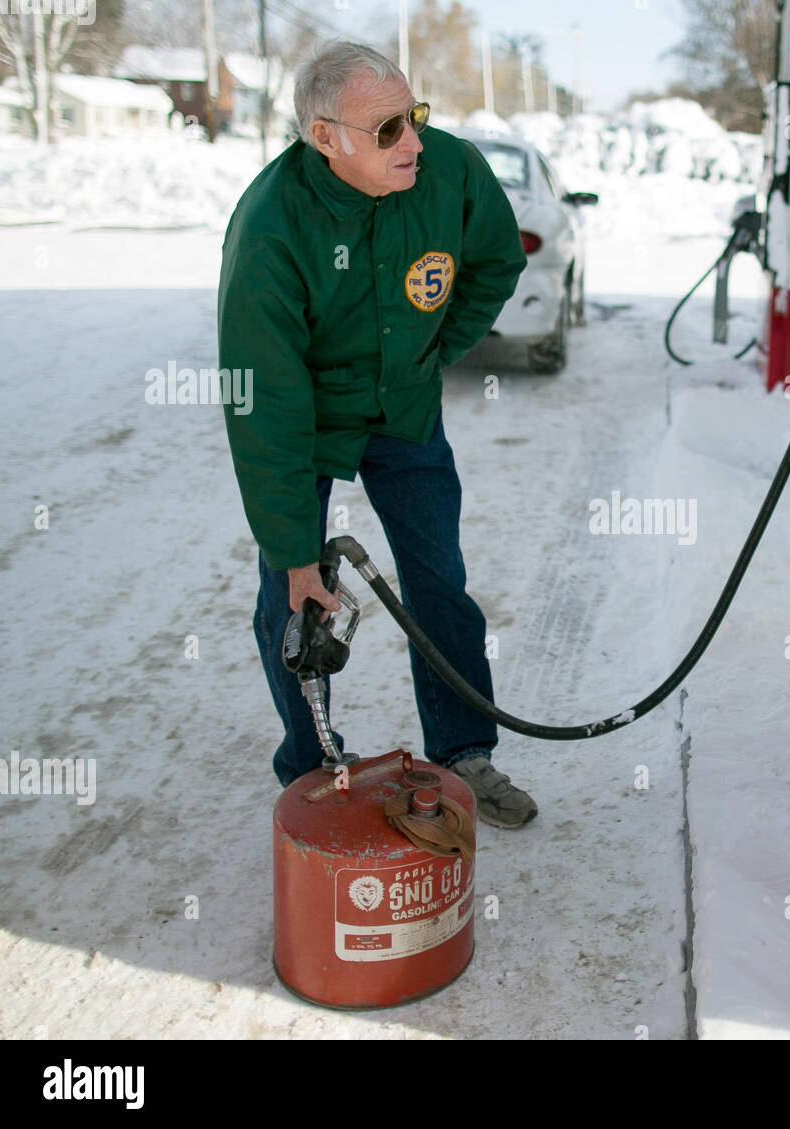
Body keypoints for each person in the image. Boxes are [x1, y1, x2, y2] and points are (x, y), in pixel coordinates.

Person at [217, 40, 537, 827]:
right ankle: (310, 765)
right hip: (309, 417)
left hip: (403, 411)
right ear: (325, 138)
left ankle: (466, 751)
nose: (415, 142)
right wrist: (298, 554)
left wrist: (435, 350)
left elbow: (496, 261)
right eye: (388, 128)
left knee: (439, 583)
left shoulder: (450, 172)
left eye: (415, 115)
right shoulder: (269, 229)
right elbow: (264, 404)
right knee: (291, 604)